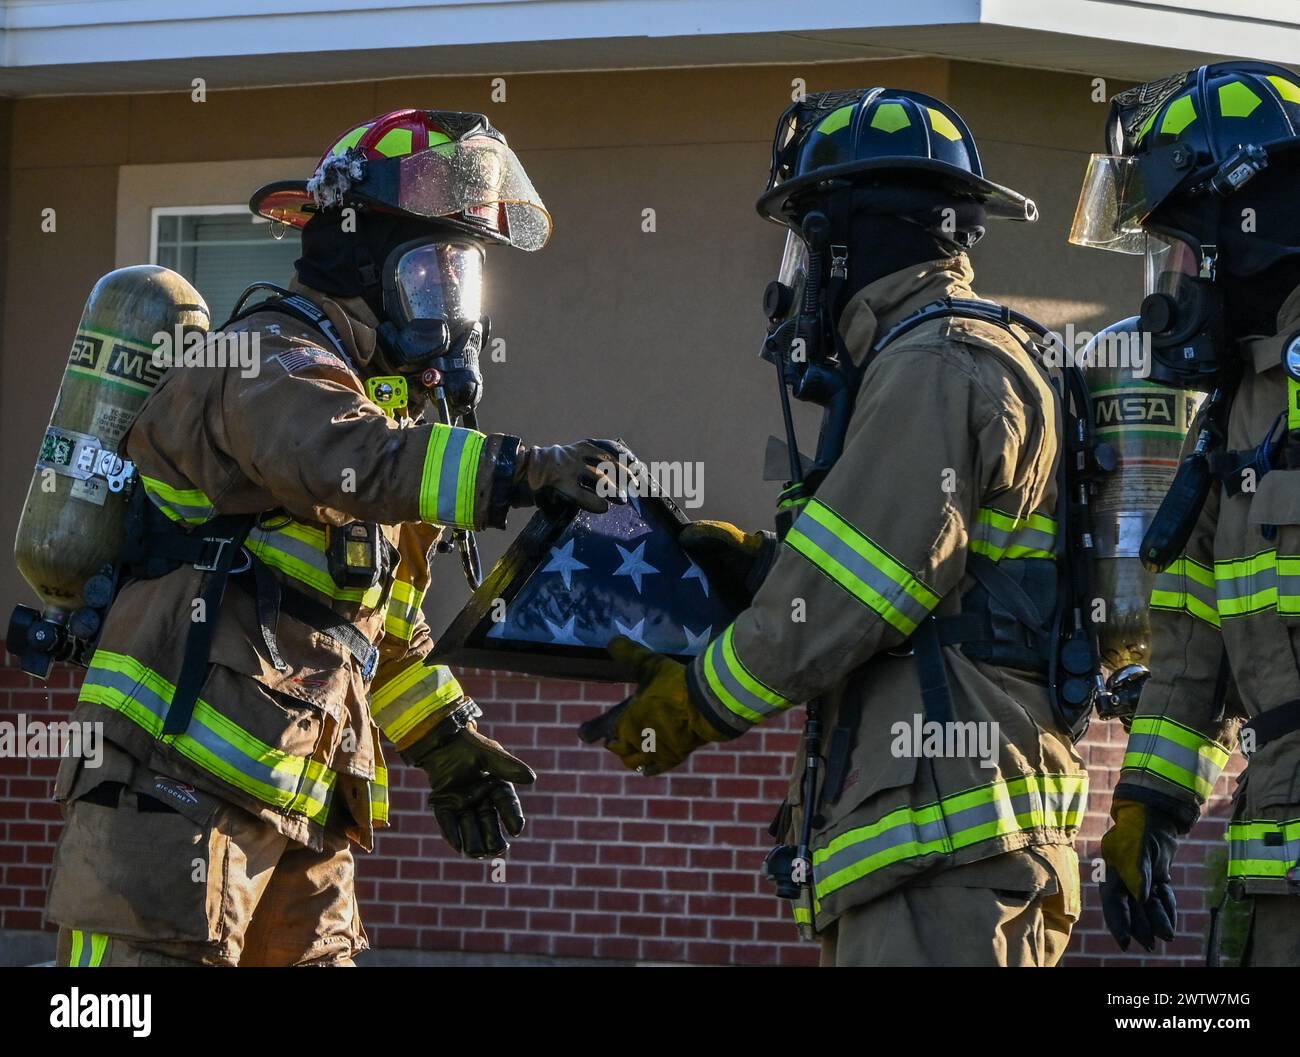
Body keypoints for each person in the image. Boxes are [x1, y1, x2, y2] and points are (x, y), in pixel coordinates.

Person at [45, 108, 631, 967]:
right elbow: (333, 453)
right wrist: (520, 469)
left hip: (303, 803)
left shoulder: (384, 420)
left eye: (460, 279)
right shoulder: (266, 359)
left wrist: (447, 740)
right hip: (169, 791)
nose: (450, 306)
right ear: (361, 264)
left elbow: (383, 629)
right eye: (429, 272)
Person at [581, 88, 1087, 966]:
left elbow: (860, 590)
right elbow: (930, 572)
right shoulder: (942, 354)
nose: (797, 275)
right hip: (944, 842)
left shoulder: (934, 362)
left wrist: (698, 701)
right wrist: (765, 568)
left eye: (807, 241)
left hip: (944, 850)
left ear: (851, 239)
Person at [1073, 62, 1300, 966]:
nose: (1166, 286)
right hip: (1273, 857)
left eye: (1175, 249)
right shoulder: (1242, 412)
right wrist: (1149, 808)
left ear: (1240, 232)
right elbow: (1193, 639)